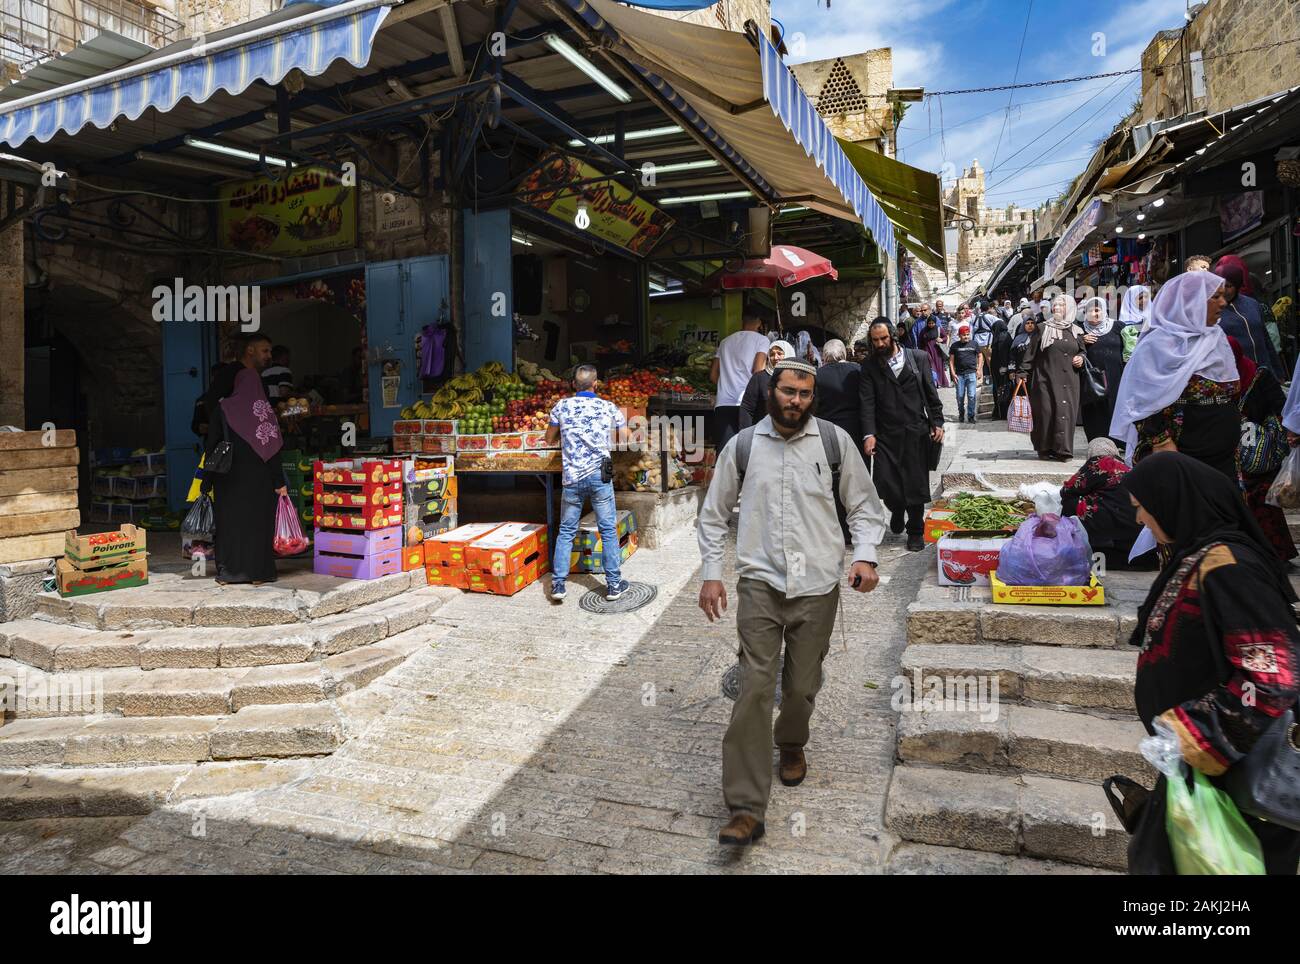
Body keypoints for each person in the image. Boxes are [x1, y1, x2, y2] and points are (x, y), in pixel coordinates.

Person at [698, 359, 887, 846]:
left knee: (801, 687)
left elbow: (865, 507)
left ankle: (792, 743)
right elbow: (713, 516)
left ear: (812, 398)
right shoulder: (742, 446)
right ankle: (744, 807)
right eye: (787, 391)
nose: (795, 401)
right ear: (770, 391)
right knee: (754, 688)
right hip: (760, 583)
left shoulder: (832, 442)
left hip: (818, 584)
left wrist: (865, 556)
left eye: (804, 394)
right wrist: (711, 576)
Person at [1124, 452, 1300, 876]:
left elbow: (1272, 674)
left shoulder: (1231, 568)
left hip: (1239, 779)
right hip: (1200, 770)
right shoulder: (1200, 555)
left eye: (1142, 506)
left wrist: (1199, 733)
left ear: (1172, 502)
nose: (1140, 519)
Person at [1110, 271, 1239, 480]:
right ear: (1190, 302)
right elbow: (1138, 402)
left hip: (1224, 456)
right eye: (1215, 297)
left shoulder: (1217, 338)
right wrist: (1161, 441)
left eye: (1224, 295)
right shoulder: (1157, 346)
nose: (1224, 303)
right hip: (1179, 454)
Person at [203, 334, 288, 585]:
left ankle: (229, 572)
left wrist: (206, 482)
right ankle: (260, 572)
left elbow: (212, 446)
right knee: (258, 525)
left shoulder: (224, 409)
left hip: (228, 477)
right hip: (260, 479)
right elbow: (273, 448)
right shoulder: (265, 413)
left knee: (230, 524)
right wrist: (278, 481)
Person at [545, 365, 630, 602]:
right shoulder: (609, 407)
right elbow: (625, 440)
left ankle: (559, 585)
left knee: (566, 530)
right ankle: (613, 585)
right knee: (608, 530)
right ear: (596, 384)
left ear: (574, 384)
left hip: (572, 477)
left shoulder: (561, 406)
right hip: (600, 477)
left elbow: (549, 438)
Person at [859, 318, 945, 551]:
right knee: (886, 482)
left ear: (893, 337)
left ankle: (915, 530)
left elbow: (930, 392)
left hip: (916, 431)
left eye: (883, 338)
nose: (879, 344)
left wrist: (937, 422)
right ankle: (897, 508)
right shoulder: (869, 366)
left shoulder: (918, 358)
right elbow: (867, 403)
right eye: (875, 340)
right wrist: (869, 434)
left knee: (916, 484)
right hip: (886, 435)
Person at [1229, 337, 1297, 562]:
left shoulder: (1260, 376)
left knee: (1264, 504)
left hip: (1262, 454)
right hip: (1232, 454)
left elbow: (1280, 408)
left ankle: (1275, 553)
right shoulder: (1217, 378)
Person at [1060, 437, 1150, 570]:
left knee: (1070, 502)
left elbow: (1067, 490)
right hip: (1135, 528)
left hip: (1108, 524)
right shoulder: (1127, 469)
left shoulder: (1101, 462)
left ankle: (1069, 543)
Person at [1017, 293, 1085, 461]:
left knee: (1066, 413)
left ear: (1069, 308)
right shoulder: (1042, 328)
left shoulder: (1076, 330)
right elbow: (1030, 353)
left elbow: (1082, 350)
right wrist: (1022, 372)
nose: (1056, 307)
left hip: (1069, 381)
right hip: (1045, 379)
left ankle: (1063, 450)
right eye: (1055, 305)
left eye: (1061, 305)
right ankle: (1044, 448)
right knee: (1045, 412)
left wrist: (1081, 358)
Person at [1214, 256, 1284, 379]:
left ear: (1237, 285)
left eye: (1229, 286)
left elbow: (1266, 340)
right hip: (1236, 376)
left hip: (1265, 373)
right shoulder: (1213, 309)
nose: (1224, 290)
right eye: (1221, 285)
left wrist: (1279, 373)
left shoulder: (1251, 304)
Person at [711, 310, 769, 451]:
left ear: (742, 322)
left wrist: (727, 384)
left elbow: (713, 375)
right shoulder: (762, 340)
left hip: (723, 403)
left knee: (725, 452)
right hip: (748, 405)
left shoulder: (725, 341)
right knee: (747, 452)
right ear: (759, 323)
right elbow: (758, 371)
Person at [1077, 296, 1125, 443]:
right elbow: (1069, 348)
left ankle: (1117, 441)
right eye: (1090, 310)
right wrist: (1081, 340)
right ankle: (1097, 442)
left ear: (1104, 311)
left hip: (1116, 377)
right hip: (1092, 379)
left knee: (1115, 407)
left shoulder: (1118, 326)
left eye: (1097, 310)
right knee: (1094, 409)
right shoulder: (1079, 329)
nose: (1094, 314)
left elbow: (1130, 348)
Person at [738, 339, 791, 430]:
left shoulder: (797, 378)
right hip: (763, 434)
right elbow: (747, 409)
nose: (775, 357)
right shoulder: (759, 378)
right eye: (772, 354)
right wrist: (745, 436)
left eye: (779, 353)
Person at [948, 324, 982, 423]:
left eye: (968, 334)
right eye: (964, 335)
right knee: (960, 396)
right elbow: (951, 361)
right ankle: (961, 414)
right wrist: (953, 374)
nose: (966, 336)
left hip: (972, 374)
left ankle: (971, 416)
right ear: (959, 335)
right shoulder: (955, 346)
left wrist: (979, 369)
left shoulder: (974, 344)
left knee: (972, 396)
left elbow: (980, 356)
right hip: (959, 375)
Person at [911, 308, 950, 388]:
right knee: (930, 367)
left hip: (937, 351)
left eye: (932, 323)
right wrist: (920, 350)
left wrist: (941, 339)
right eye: (929, 323)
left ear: (935, 323)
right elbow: (919, 340)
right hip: (927, 351)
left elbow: (945, 337)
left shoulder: (939, 329)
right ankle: (933, 382)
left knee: (939, 367)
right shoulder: (923, 331)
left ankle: (940, 382)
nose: (931, 325)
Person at [1118, 284, 1152, 362]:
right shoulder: (1122, 325)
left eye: (1146, 296)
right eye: (1140, 298)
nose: (1144, 300)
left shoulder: (1156, 317)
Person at [972, 301, 997, 385]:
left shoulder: (974, 317)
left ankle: (980, 380)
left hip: (976, 342)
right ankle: (993, 378)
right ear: (988, 308)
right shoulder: (990, 317)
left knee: (979, 362)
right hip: (987, 341)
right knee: (990, 360)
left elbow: (972, 329)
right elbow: (1000, 323)